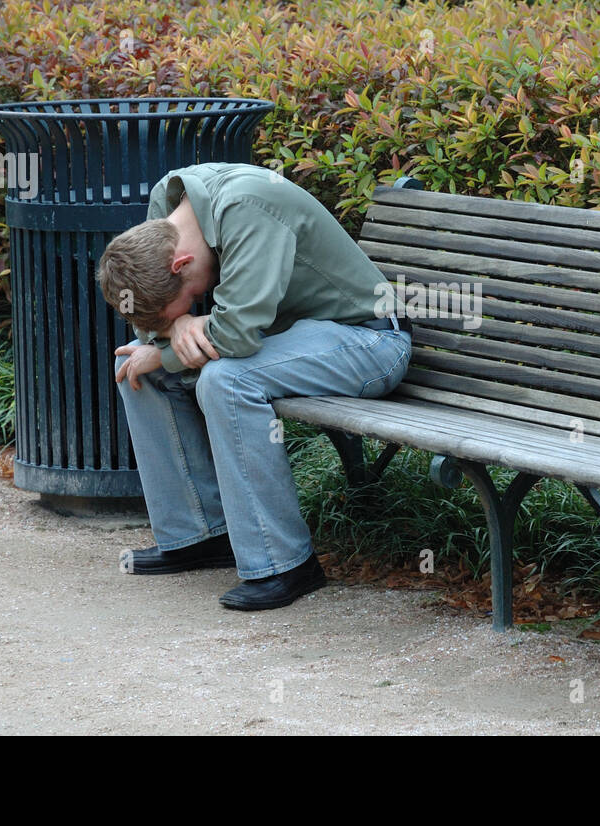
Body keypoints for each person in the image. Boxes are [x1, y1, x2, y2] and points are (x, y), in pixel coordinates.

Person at [95, 162, 412, 610]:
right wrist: (173, 328)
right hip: (287, 340)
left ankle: (286, 565)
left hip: (367, 340)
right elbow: (156, 330)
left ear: (181, 263)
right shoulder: (167, 208)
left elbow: (236, 334)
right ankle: (198, 535)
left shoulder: (246, 206)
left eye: (184, 302)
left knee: (227, 378)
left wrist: (168, 346)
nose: (184, 313)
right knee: (137, 365)